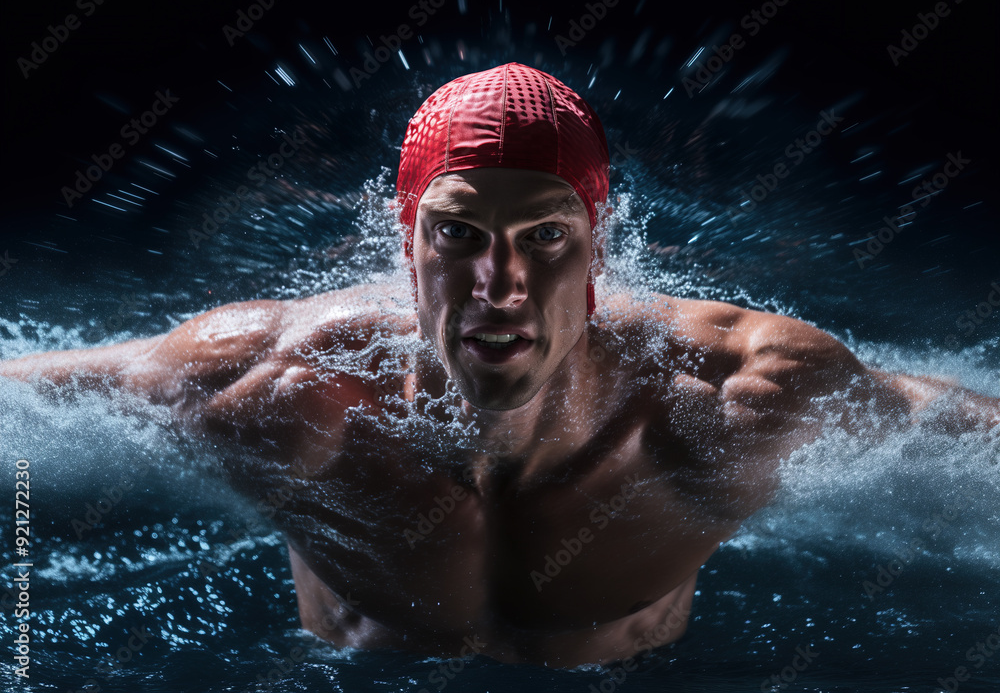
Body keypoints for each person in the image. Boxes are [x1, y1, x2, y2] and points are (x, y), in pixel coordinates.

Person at [2, 62, 997, 669]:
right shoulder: (279, 393)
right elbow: (40, 399)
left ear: (599, 251)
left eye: (546, 236)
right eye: (458, 234)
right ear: (407, 248)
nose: (501, 283)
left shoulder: (733, 402)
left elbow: (951, 431)